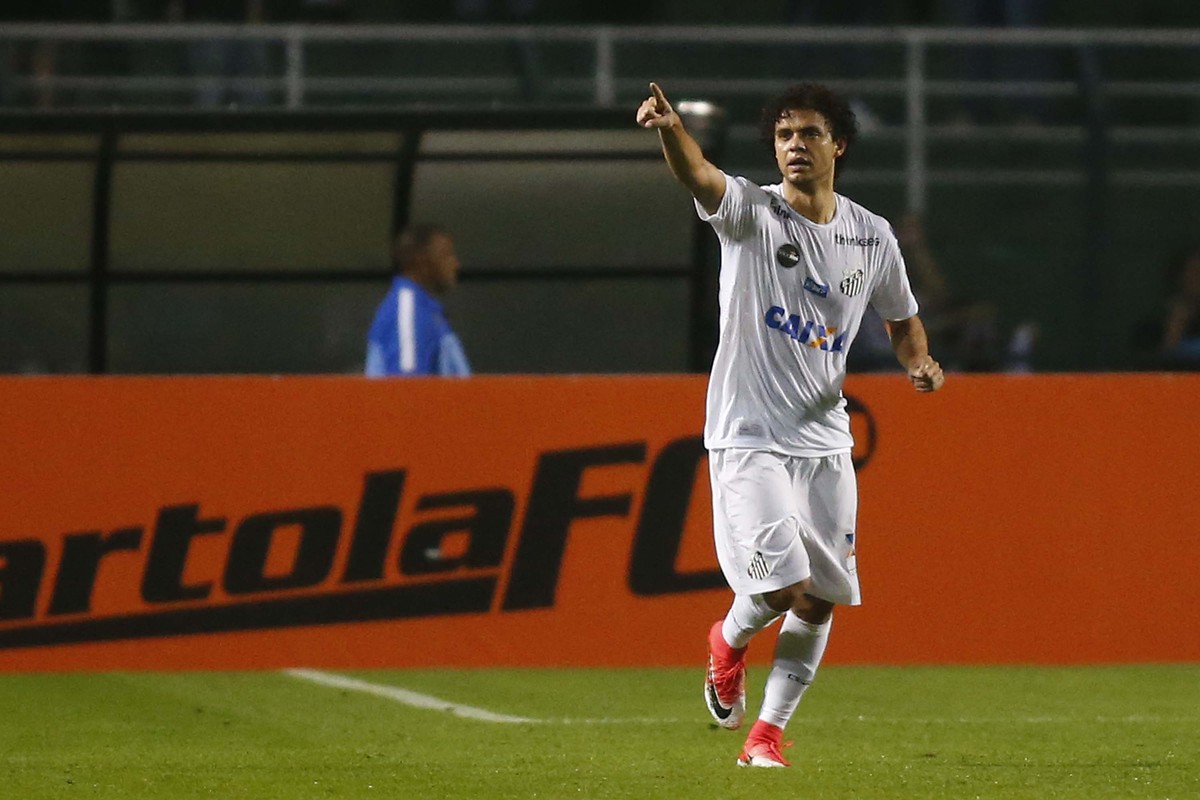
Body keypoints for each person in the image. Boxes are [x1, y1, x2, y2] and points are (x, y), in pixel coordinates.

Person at [636, 81, 944, 768]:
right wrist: (670, 128)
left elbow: (901, 319)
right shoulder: (751, 211)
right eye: (783, 135)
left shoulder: (872, 235)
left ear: (839, 144)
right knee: (779, 587)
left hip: (825, 440)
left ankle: (765, 736)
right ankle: (727, 641)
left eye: (808, 133)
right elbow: (700, 174)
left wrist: (918, 361)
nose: (794, 145)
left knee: (819, 601)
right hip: (748, 435)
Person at [365, 225, 471, 377]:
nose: (455, 264)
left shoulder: (427, 309)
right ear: (422, 261)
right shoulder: (407, 310)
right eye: (446, 255)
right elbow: (407, 387)